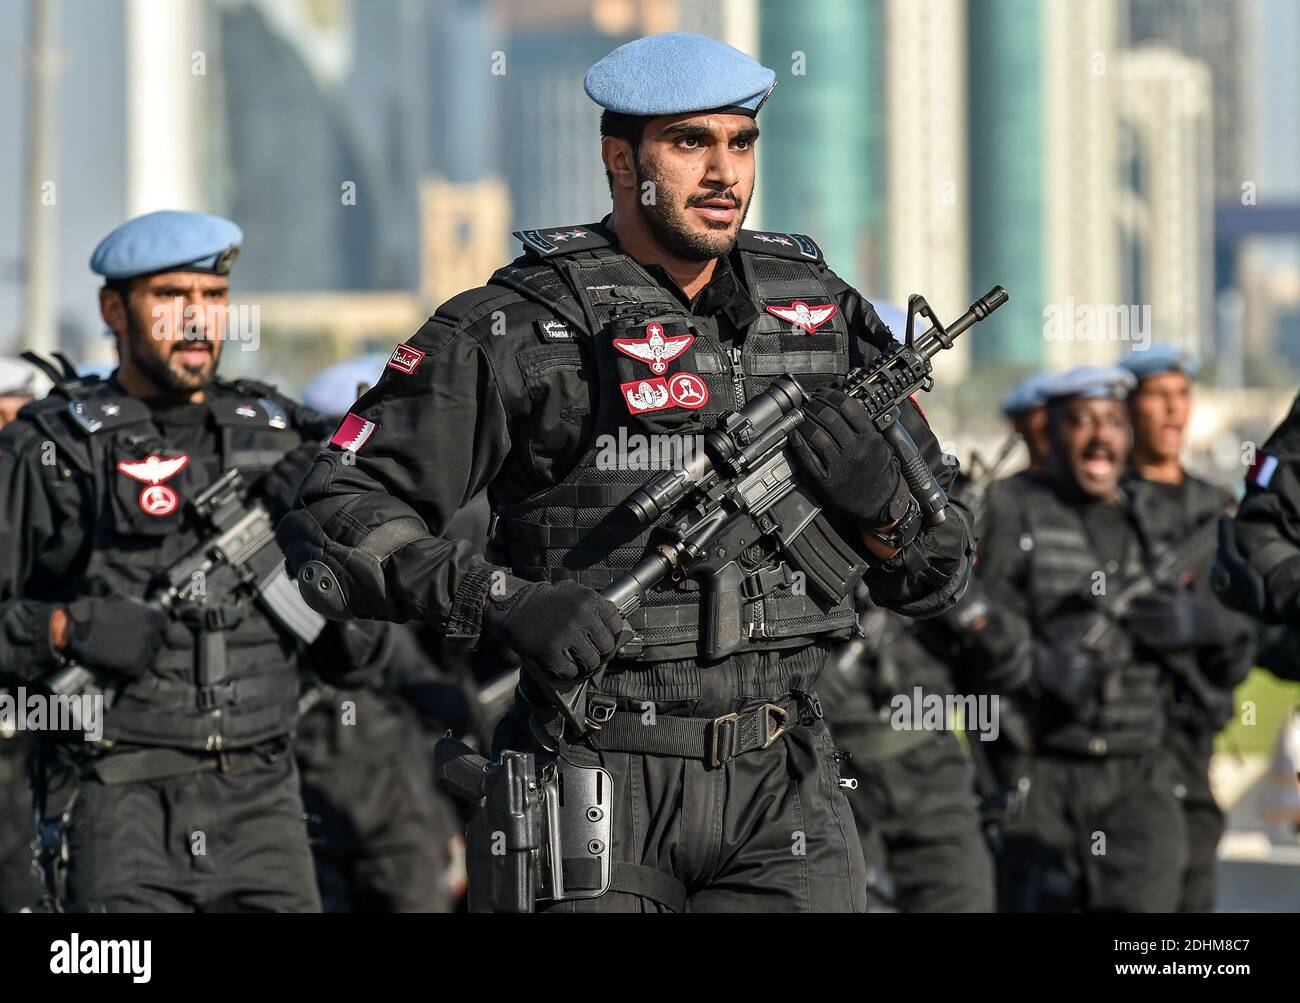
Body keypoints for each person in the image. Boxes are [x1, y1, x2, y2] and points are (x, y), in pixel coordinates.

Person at [281, 31, 972, 913]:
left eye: (741, 142)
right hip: (592, 772)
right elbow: (337, 512)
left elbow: (940, 573)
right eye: (691, 142)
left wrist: (886, 506)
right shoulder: (518, 325)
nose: (724, 172)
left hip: (781, 784)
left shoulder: (820, 313)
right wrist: (502, 599)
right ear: (619, 157)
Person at [0, 211, 386, 912]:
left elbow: (358, 656)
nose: (197, 319)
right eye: (171, 297)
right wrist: (62, 627)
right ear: (114, 309)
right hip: (117, 803)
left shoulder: (284, 436)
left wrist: (327, 536)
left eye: (212, 297)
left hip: (265, 805)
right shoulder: (52, 450)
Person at [950, 365, 1249, 911]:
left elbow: (1236, 649)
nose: (1099, 435)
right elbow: (970, 629)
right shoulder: (1013, 510)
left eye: (1112, 421)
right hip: (1040, 775)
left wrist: (1199, 624)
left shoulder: (1160, 520)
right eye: (1081, 421)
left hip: (1142, 778)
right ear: (1051, 432)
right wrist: (1037, 665)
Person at [1118, 345, 1255, 911]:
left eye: (1182, 396)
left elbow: (1245, 638)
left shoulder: (1215, 507)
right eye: (1157, 397)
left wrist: (1207, 623)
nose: (1173, 411)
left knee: (1193, 904)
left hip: (1192, 739)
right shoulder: (1108, 501)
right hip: (1121, 745)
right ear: (1130, 407)